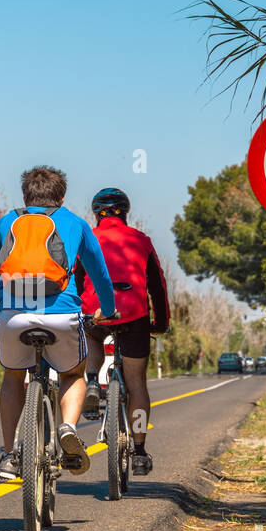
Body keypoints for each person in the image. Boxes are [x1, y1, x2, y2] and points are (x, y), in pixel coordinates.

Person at [0, 166, 117, 481]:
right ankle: (67, 427)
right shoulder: (75, 223)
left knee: (13, 377)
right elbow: (99, 273)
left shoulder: (7, 221)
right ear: (61, 197)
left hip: (13, 317)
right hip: (62, 315)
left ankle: (9, 456)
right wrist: (108, 309)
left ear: (25, 196)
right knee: (73, 374)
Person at [75, 187, 170, 475]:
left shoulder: (86, 238)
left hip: (96, 311)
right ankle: (139, 451)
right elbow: (157, 285)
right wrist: (161, 322)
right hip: (134, 315)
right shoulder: (141, 240)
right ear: (125, 212)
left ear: (96, 214)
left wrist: (79, 311)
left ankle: (92, 381)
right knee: (137, 384)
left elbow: (76, 280)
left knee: (91, 334)